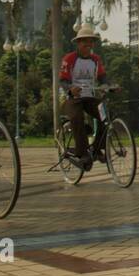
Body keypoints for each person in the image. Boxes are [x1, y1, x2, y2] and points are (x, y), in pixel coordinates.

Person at [58, 24, 114, 169]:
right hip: (71, 99)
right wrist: (71, 89)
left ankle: (97, 149)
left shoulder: (95, 59)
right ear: (78, 43)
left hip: (89, 97)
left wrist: (109, 86)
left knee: (105, 115)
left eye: (91, 41)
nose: (88, 44)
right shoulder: (69, 58)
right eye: (85, 41)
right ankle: (82, 154)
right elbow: (63, 80)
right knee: (77, 118)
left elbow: (102, 77)